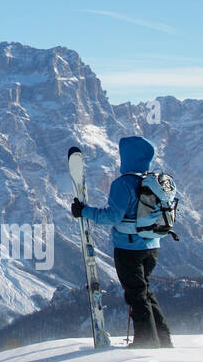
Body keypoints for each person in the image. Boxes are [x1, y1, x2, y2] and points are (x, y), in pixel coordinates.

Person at [70, 135, 174, 348]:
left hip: (128, 248)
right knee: (145, 292)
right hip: (152, 246)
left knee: (136, 295)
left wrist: (84, 212)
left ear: (127, 157)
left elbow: (113, 216)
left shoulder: (123, 183)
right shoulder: (154, 183)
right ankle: (163, 339)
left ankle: (146, 342)